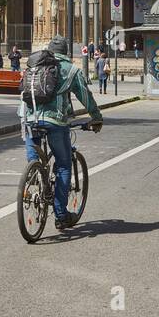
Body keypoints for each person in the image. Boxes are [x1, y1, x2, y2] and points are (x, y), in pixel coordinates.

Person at [18, 36, 104, 232]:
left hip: (29, 119)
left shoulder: (35, 65)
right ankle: (61, 215)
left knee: (36, 161)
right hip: (55, 121)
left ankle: (35, 178)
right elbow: (86, 97)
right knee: (64, 165)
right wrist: (96, 117)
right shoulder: (71, 70)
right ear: (66, 52)